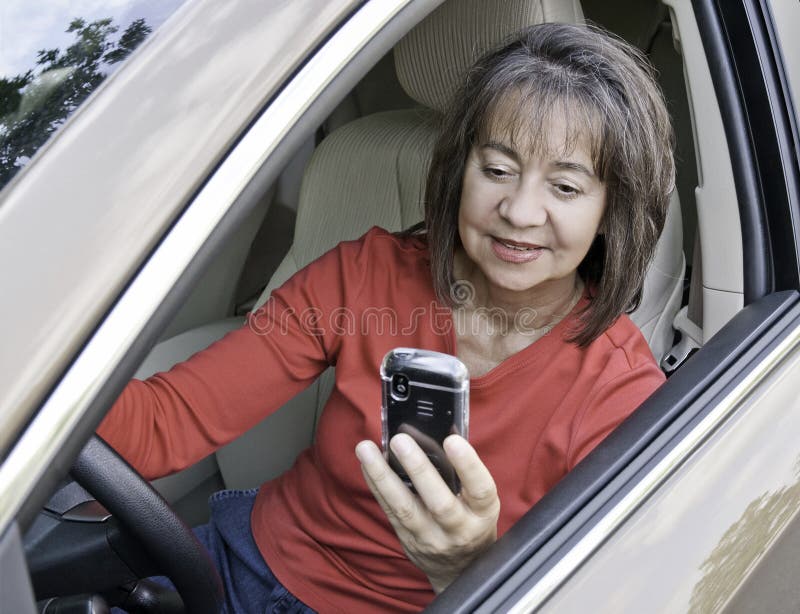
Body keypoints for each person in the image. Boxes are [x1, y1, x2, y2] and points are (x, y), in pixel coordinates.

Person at [99, 22, 675, 613]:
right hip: (238, 562)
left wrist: (465, 572)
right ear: (460, 171)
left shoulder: (621, 395)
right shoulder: (365, 276)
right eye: (497, 170)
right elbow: (165, 422)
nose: (520, 211)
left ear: (611, 212)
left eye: (566, 187)